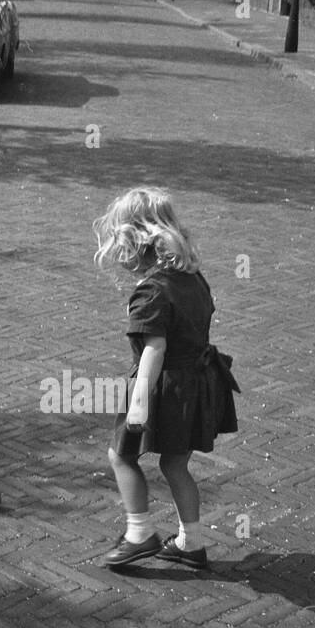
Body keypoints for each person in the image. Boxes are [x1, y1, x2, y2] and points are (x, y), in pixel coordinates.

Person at [93, 188, 240, 570]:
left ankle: (139, 533)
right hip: (199, 384)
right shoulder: (193, 279)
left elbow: (154, 350)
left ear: (134, 243)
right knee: (176, 465)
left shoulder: (152, 292)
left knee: (121, 455)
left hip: (165, 387)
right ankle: (191, 543)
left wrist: (139, 400)